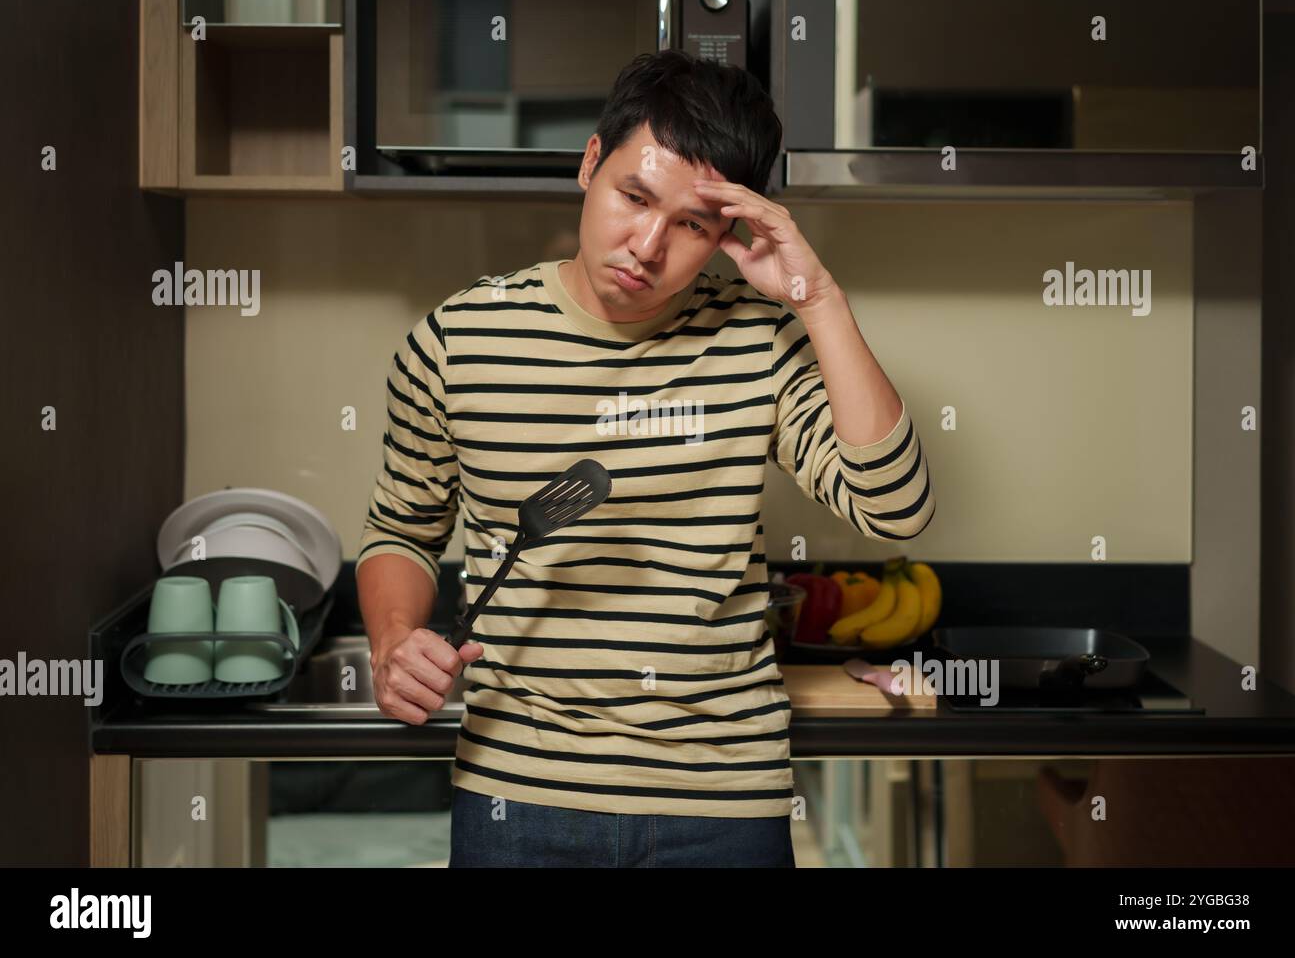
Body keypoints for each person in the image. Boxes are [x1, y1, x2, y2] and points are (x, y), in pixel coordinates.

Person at [355, 49, 935, 868]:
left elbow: (897, 508)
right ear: (591, 162)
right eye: (634, 196)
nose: (647, 245)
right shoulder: (455, 342)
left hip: (724, 800)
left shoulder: (756, 339)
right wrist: (391, 640)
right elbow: (400, 534)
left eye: (692, 224)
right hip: (516, 793)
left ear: (728, 232)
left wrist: (818, 301)